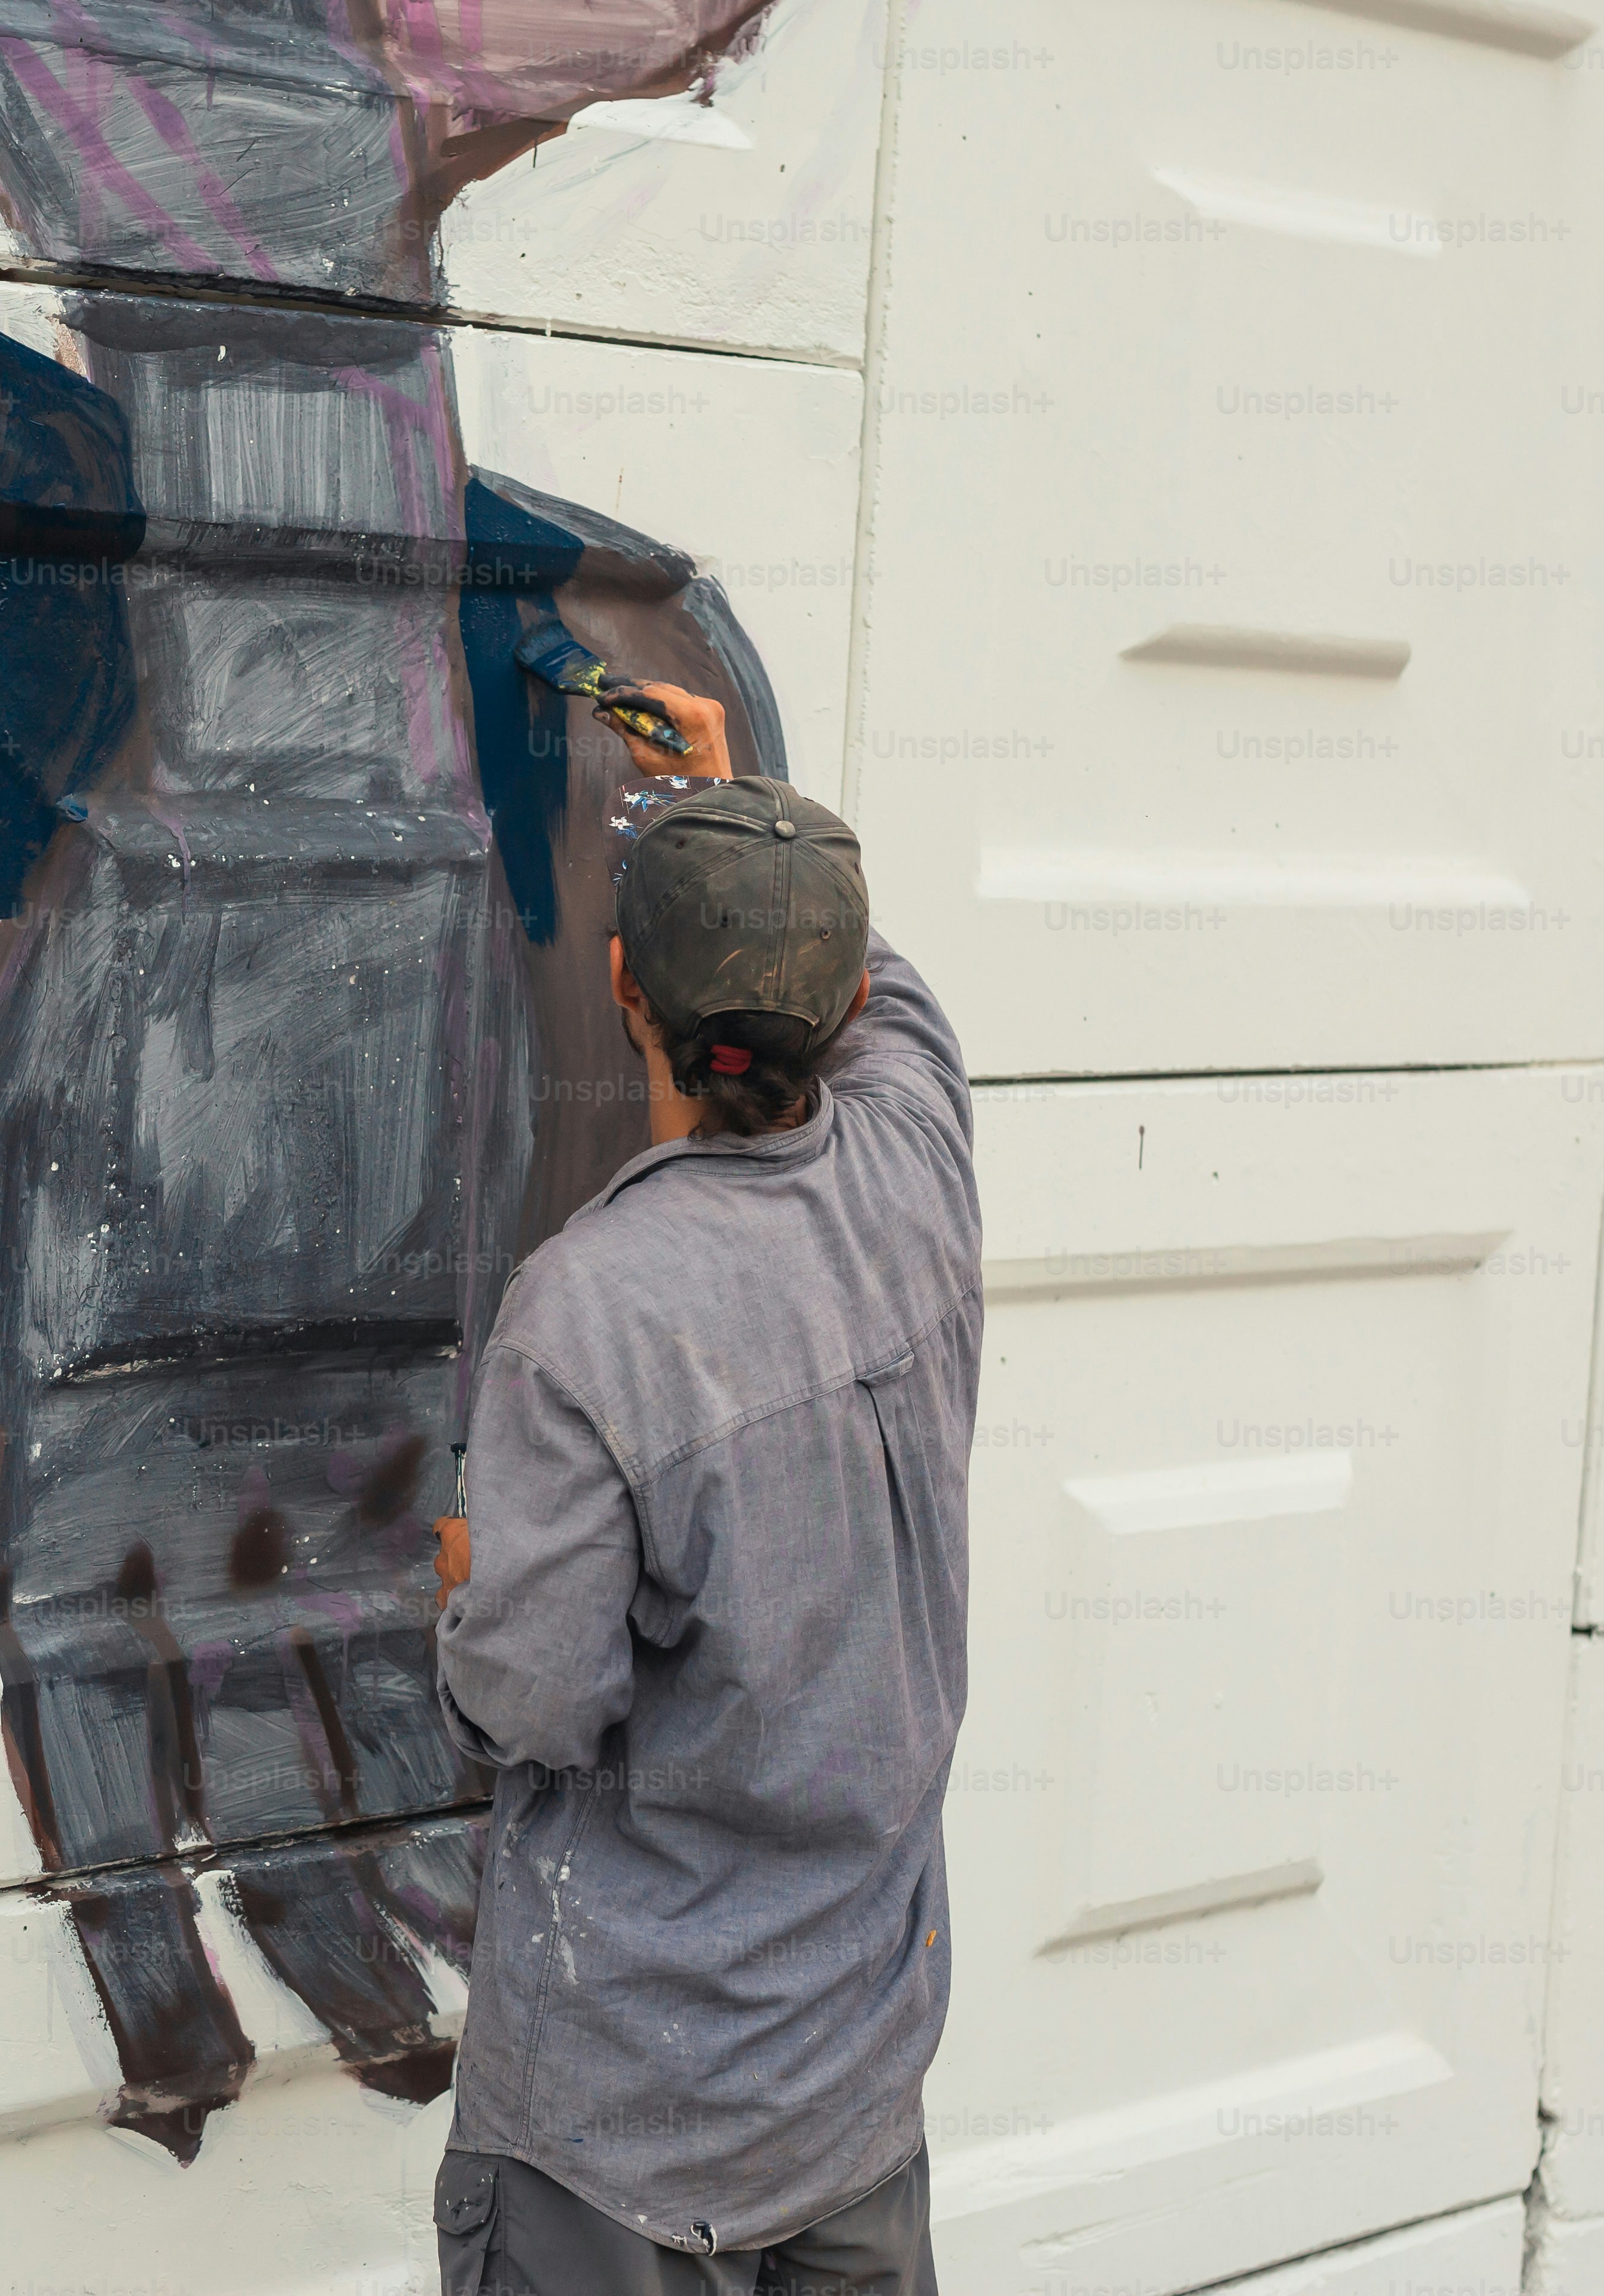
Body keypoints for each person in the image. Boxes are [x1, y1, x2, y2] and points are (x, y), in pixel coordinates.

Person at [429, 683, 980, 2292]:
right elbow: (879, 996)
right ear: (852, 995)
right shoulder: (919, 1166)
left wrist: (473, 1581)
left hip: (631, 2135)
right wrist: (737, 802)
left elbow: (529, 1702)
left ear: (621, 990)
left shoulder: (590, 1311)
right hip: (854, 2097)